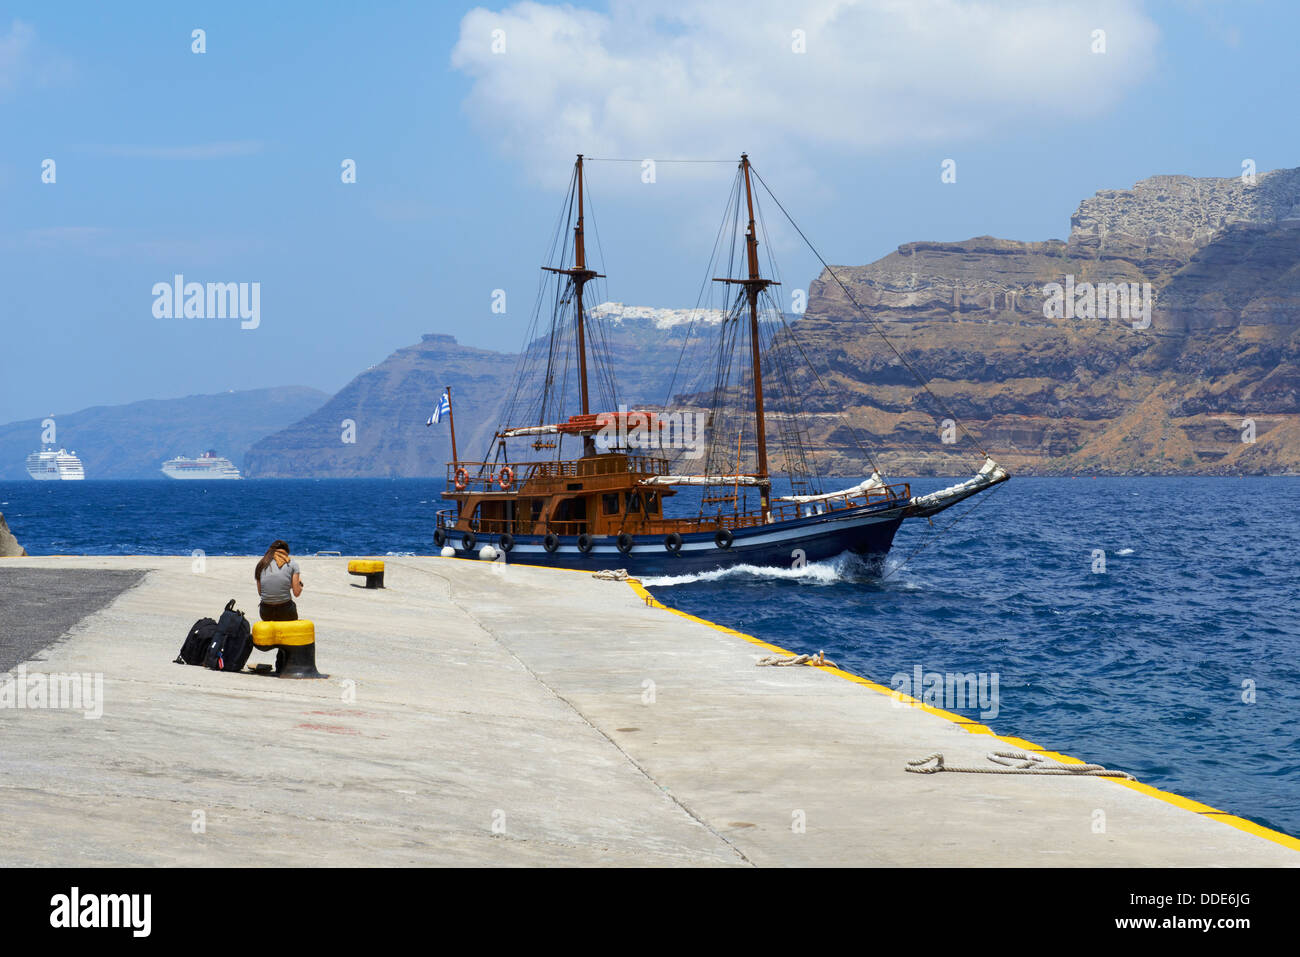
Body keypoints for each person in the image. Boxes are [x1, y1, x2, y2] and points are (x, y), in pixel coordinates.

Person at [254, 540, 302, 621]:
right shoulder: (292, 564)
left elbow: (260, 592)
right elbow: (296, 593)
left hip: (266, 612)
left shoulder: (261, 564)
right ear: (286, 552)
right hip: (286, 611)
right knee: (291, 605)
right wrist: (299, 584)